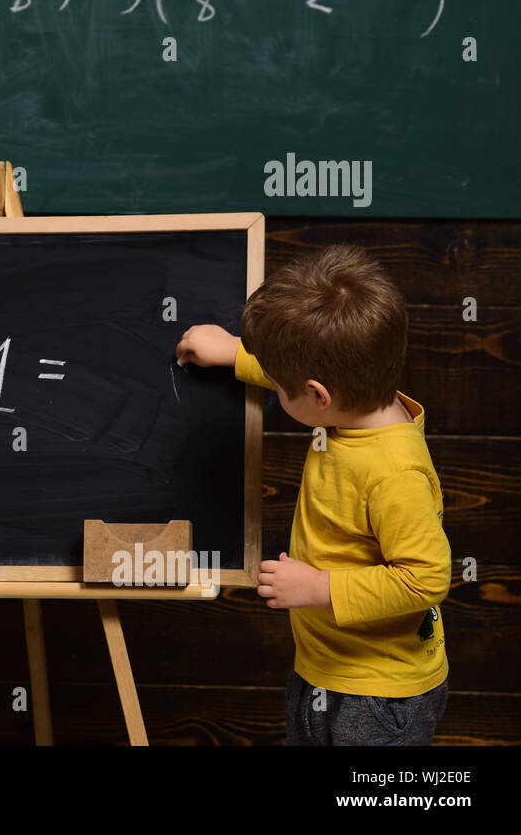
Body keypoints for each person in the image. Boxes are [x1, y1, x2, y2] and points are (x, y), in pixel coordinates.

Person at [175, 244, 449, 745]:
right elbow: (303, 376)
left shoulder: (393, 472)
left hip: (377, 693)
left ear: (319, 396)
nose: (276, 388)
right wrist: (235, 352)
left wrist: (319, 589)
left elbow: (427, 578)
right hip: (326, 664)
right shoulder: (360, 392)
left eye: (279, 385)